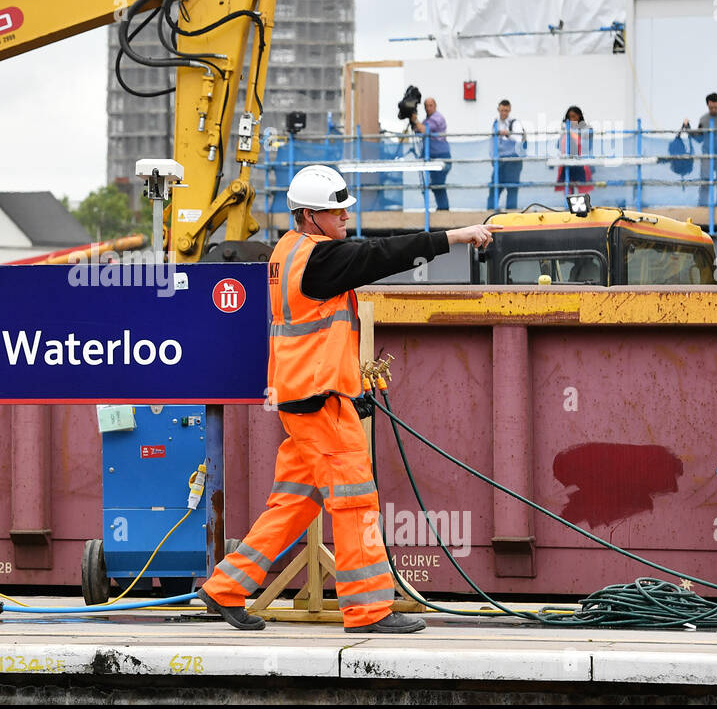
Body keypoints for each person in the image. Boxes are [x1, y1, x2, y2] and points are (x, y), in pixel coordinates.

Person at [197, 165, 497, 633]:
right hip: (318, 403)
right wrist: (455, 236)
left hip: (300, 398)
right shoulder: (320, 260)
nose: (345, 219)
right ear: (310, 216)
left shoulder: (288, 252)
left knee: (293, 503)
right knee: (356, 502)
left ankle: (225, 588)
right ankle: (368, 610)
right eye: (337, 213)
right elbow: (382, 254)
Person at [683, 92, 717, 207]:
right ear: (707, 105)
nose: (713, 109)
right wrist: (688, 128)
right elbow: (699, 138)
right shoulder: (704, 119)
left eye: (715, 107)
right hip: (707, 154)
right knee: (705, 181)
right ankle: (702, 207)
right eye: (711, 107)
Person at [411, 97, 451, 210]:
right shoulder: (427, 120)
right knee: (436, 184)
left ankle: (443, 209)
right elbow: (418, 130)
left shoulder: (437, 118)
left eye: (430, 105)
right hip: (433, 156)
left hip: (441, 156)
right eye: (426, 106)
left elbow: (424, 130)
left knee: (438, 184)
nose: (428, 108)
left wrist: (415, 120)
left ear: (435, 106)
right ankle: (442, 208)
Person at [489, 99, 527, 211]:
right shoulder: (495, 123)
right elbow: (492, 142)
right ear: (498, 110)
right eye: (502, 110)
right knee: (494, 187)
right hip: (499, 160)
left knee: (512, 189)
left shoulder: (515, 123)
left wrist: (508, 133)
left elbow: (518, 139)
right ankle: (490, 212)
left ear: (509, 110)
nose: (504, 113)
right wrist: (492, 157)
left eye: (506, 110)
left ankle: (511, 214)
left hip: (513, 161)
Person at [555, 106, 593, 196]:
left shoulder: (586, 129)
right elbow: (558, 146)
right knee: (568, 189)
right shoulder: (565, 131)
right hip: (568, 163)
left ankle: (584, 209)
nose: (572, 119)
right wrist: (565, 131)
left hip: (581, 164)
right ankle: (568, 207)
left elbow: (587, 146)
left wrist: (572, 133)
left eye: (574, 116)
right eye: (569, 117)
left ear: (579, 116)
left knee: (583, 191)